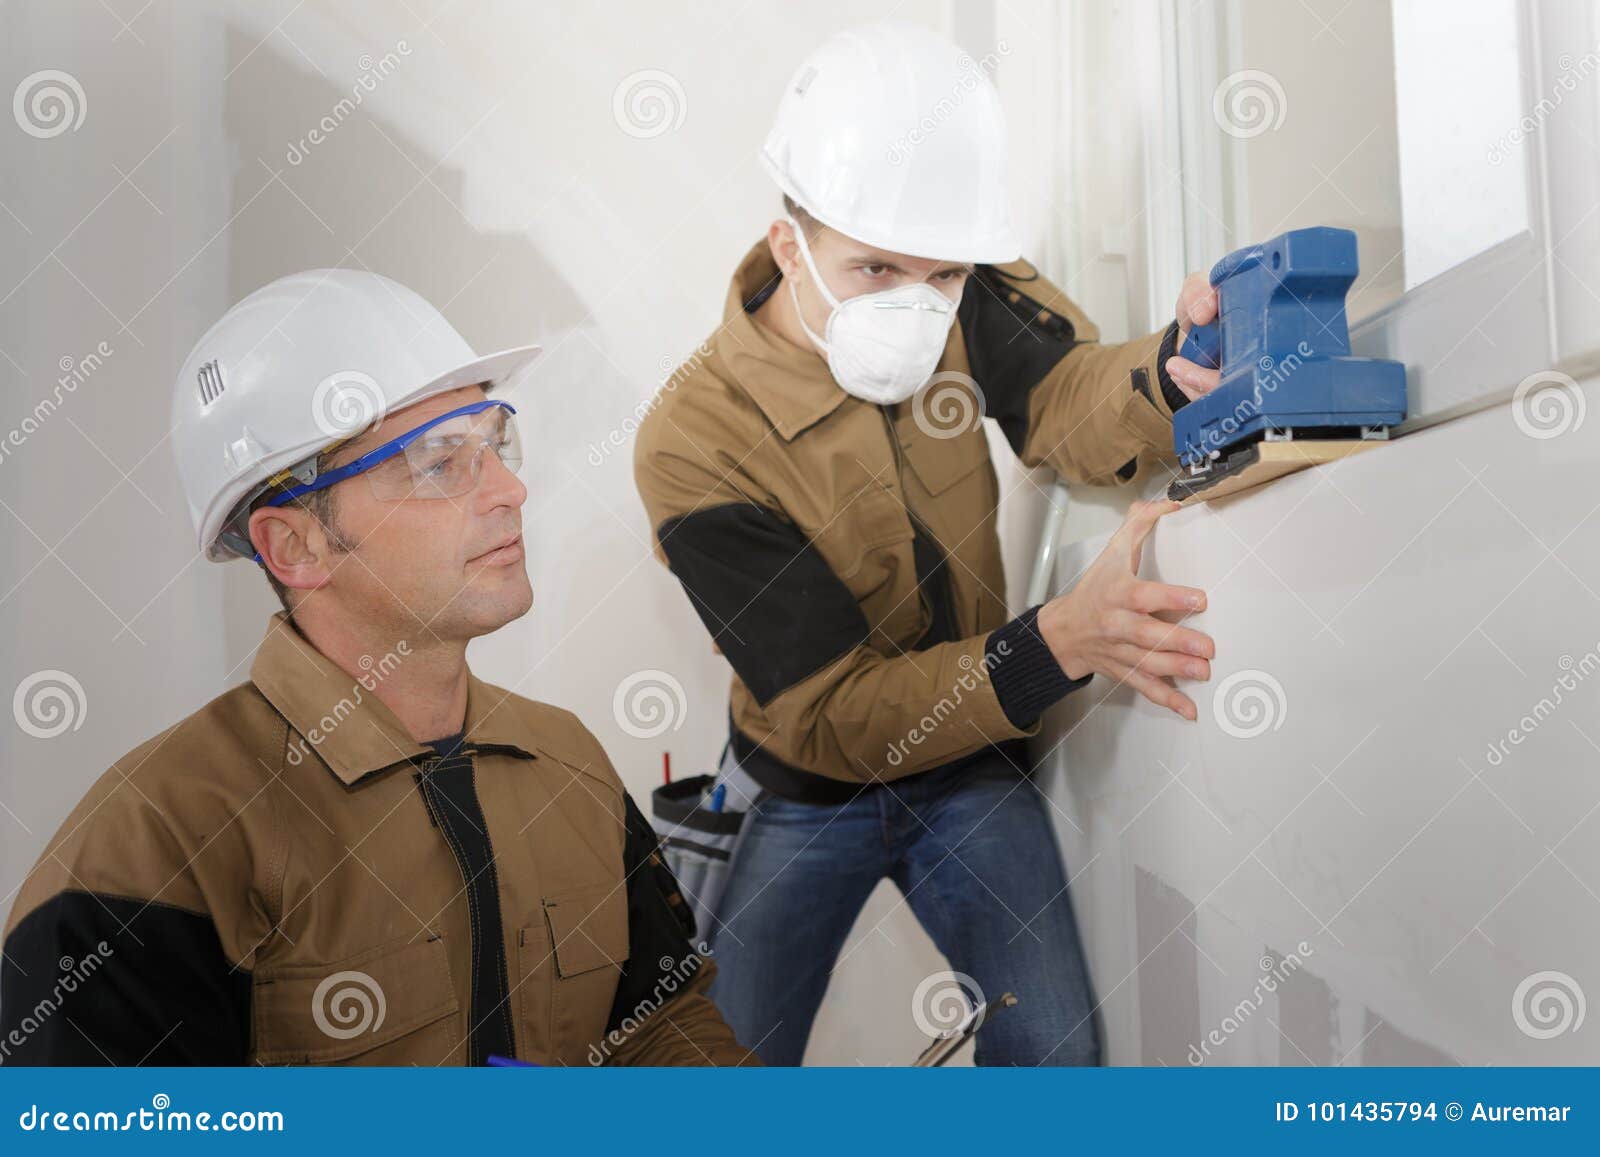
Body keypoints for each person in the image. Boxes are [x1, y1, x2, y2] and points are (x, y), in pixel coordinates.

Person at [633, 21, 1221, 1066]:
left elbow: (1060, 396)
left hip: (967, 766)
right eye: (873, 269)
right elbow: (834, 711)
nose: (915, 305)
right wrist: (1054, 644)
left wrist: (1169, 372)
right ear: (789, 247)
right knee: (718, 1079)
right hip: (801, 785)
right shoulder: (695, 438)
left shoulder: (962, 280)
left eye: (941, 275)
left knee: (1054, 1060)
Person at [1, 270, 754, 1067]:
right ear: (295, 545)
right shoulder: (159, 840)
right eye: (438, 463)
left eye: (493, 441)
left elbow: (659, 1025)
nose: (510, 489)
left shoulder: (569, 765)